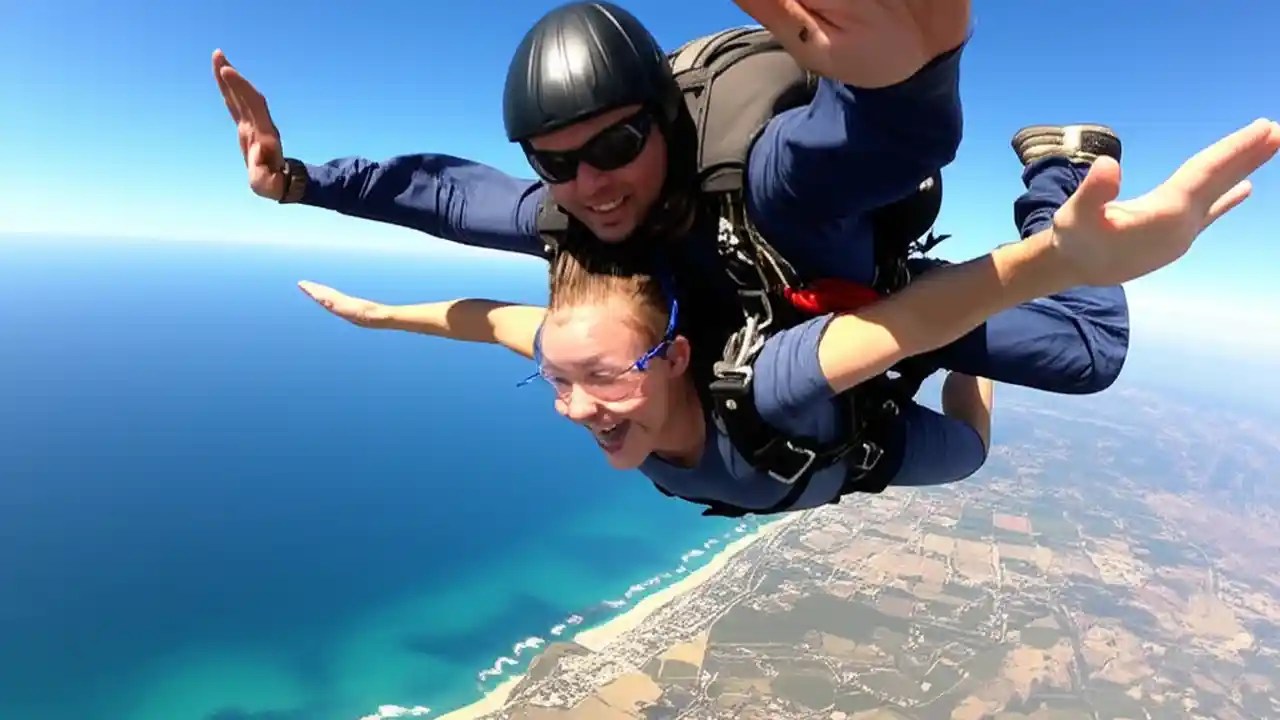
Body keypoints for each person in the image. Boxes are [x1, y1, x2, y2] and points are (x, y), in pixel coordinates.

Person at [295, 119, 1280, 516]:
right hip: (851, 418)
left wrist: (1060, 257)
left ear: (676, 355)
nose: (576, 403)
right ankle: (965, 338)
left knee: (1087, 358)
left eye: (599, 378)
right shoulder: (578, 351)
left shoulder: (771, 383)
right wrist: (380, 316)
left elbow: (910, 324)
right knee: (954, 409)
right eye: (560, 378)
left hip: (862, 384)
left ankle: (1058, 165)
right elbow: (482, 320)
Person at [211, 0, 1131, 405]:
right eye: (553, 162)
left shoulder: (766, 179)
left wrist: (910, 73)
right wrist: (298, 183)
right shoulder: (571, 208)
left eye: (616, 146)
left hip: (866, 300)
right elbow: (446, 195)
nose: (591, 184)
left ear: (663, 123)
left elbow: (870, 144)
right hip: (795, 328)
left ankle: (1059, 165)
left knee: (1091, 356)